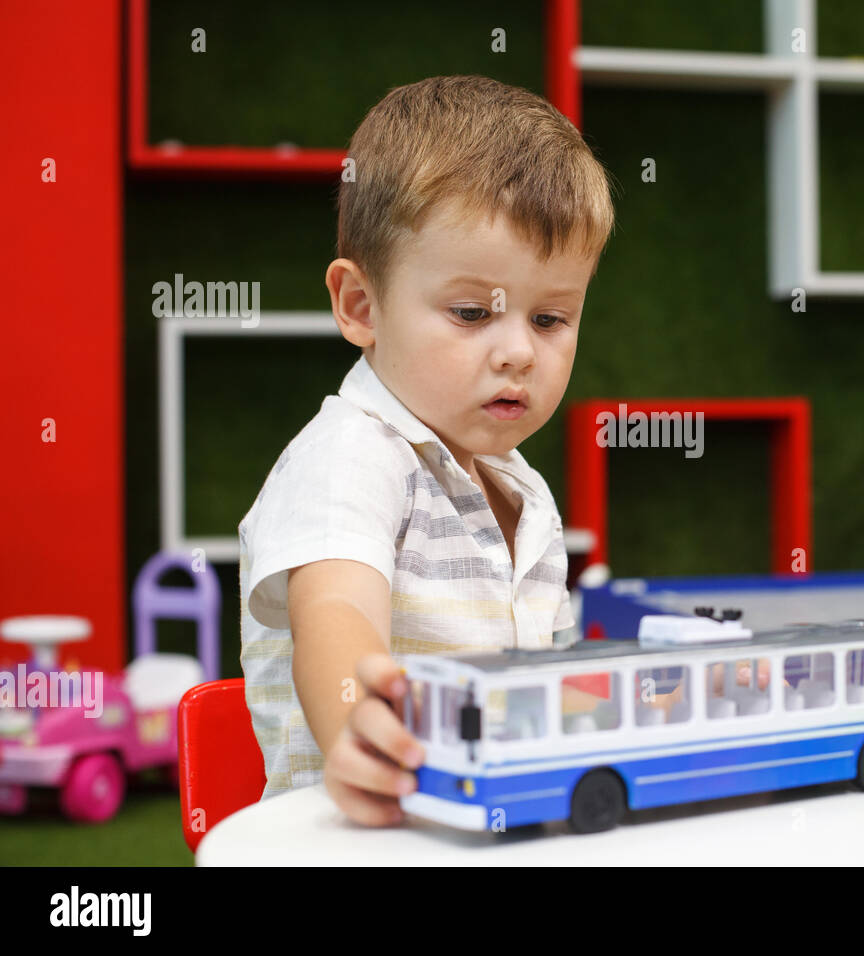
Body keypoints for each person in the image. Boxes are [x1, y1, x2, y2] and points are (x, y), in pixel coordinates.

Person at [238, 75, 617, 825]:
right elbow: (340, 606)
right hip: (362, 837)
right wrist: (358, 721)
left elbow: (552, 681)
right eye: (473, 312)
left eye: (550, 318)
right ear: (361, 306)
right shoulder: (350, 455)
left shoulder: (525, 491)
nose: (518, 351)